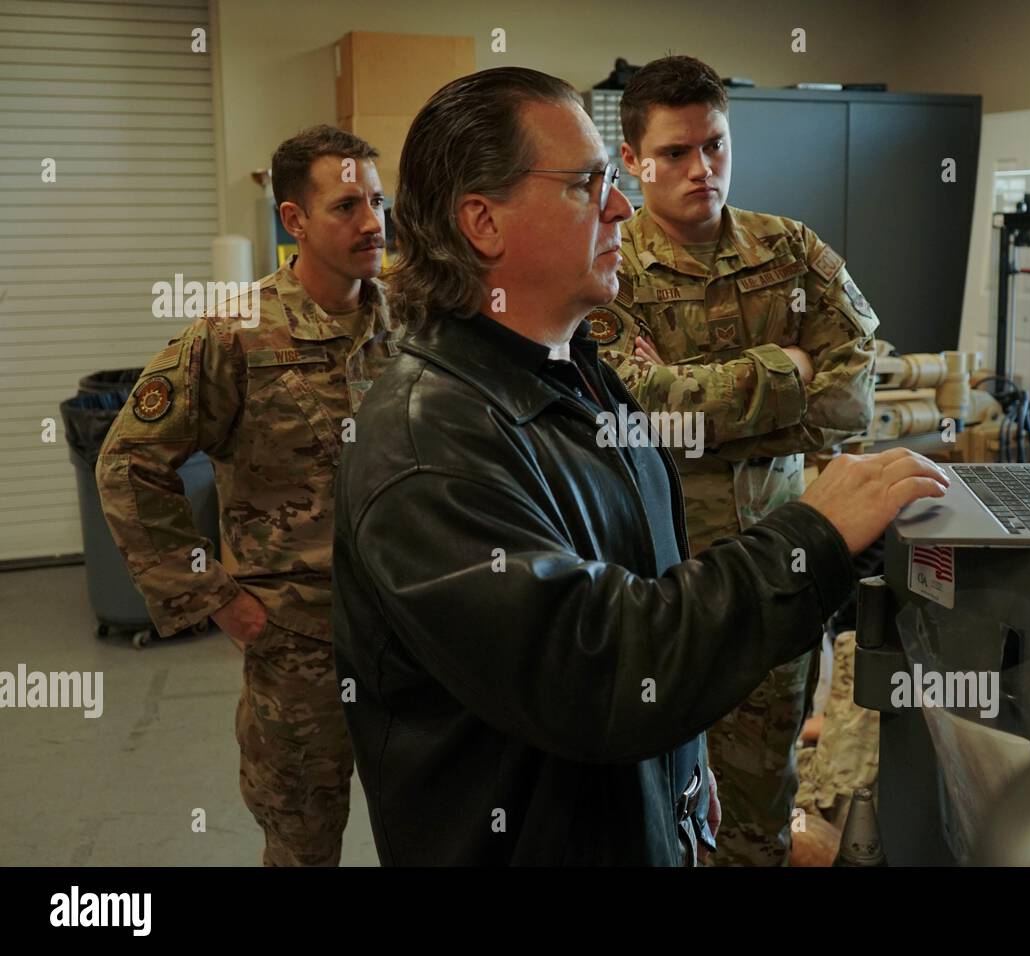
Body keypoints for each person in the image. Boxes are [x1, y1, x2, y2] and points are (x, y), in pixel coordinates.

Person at [330, 66, 947, 866]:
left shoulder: (573, 370)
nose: (622, 205)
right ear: (483, 222)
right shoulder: (428, 448)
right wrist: (813, 534)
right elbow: (606, 665)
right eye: (590, 185)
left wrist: (681, 775)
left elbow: (642, 582)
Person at [592, 55, 881, 865]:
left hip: (782, 569)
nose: (700, 169)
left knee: (761, 803)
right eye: (675, 153)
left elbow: (851, 401)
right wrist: (783, 368)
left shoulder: (789, 252)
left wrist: (704, 403)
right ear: (634, 161)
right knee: (652, 805)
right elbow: (639, 409)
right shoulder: (610, 269)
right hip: (658, 583)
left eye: (713, 145)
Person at [96, 126, 399, 866]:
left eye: (380, 202)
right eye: (347, 206)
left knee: (435, 829)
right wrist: (214, 597)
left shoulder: (413, 325)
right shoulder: (235, 335)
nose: (372, 223)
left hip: (411, 636)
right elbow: (128, 464)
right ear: (294, 221)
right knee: (302, 844)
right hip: (298, 647)